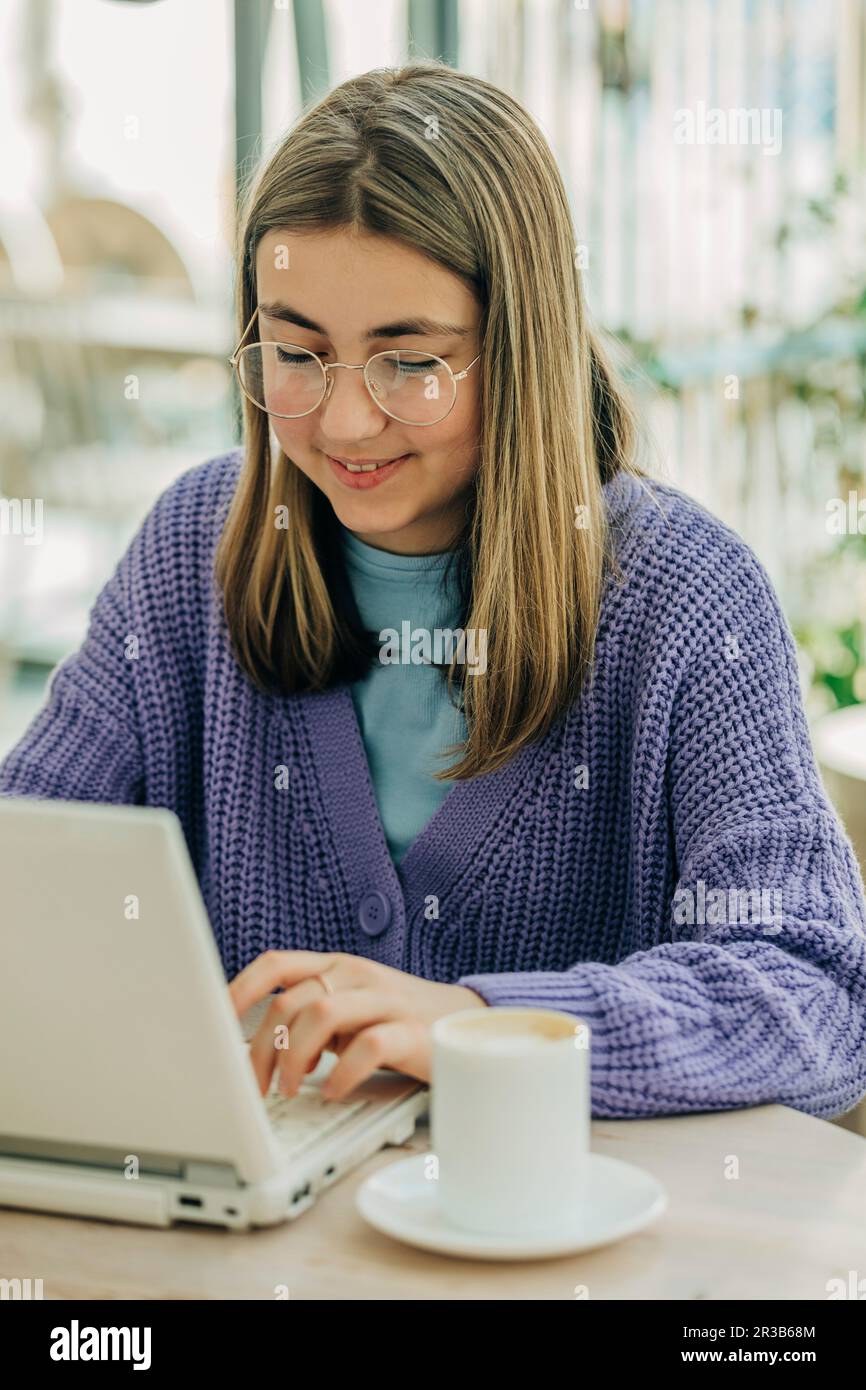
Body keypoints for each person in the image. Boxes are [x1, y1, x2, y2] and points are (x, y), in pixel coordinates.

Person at [3, 62, 865, 1120]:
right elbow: (25, 866)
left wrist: (473, 1027)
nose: (345, 422)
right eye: (296, 352)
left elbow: (814, 992)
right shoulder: (195, 550)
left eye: (409, 362)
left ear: (520, 348)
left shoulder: (683, 595)